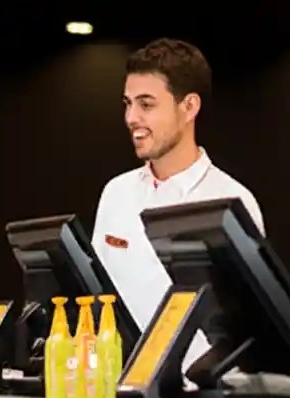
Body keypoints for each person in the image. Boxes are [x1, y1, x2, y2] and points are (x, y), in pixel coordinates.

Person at [91, 38, 265, 369]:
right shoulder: (116, 193)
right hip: (116, 386)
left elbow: (248, 328)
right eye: (128, 103)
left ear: (189, 107)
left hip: (200, 392)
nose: (131, 117)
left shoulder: (233, 201)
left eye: (146, 104)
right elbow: (96, 301)